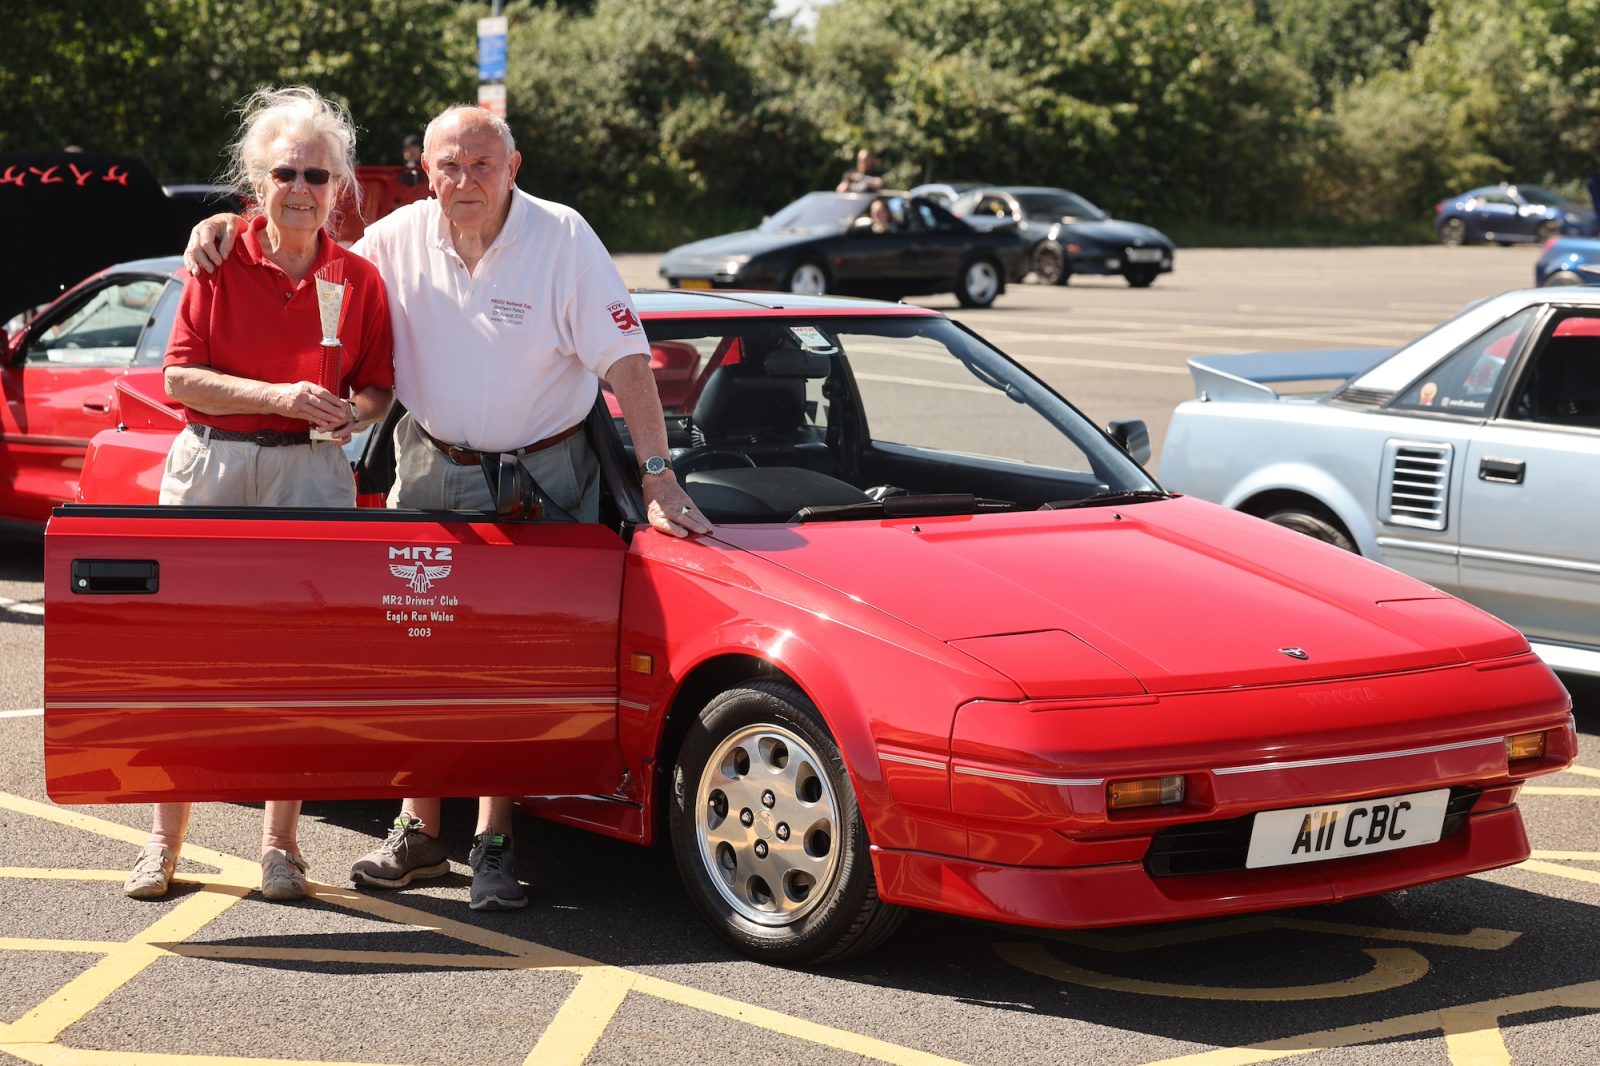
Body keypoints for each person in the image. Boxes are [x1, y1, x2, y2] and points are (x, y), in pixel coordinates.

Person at [184, 103, 709, 912]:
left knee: (510, 658)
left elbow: (629, 364)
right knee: (416, 651)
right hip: (430, 465)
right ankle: (418, 832)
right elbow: (306, 250)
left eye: (481, 165)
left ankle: (494, 839)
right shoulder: (396, 240)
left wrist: (659, 474)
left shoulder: (562, 238)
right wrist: (224, 221)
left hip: (541, 474)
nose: (465, 182)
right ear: (423, 171)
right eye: (448, 167)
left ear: (514, 166)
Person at [125, 86, 395, 904]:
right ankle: (161, 845)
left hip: (310, 472)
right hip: (212, 465)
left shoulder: (358, 278)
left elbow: (378, 387)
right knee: (187, 659)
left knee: (297, 663)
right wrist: (279, 396)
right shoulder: (214, 255)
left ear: (339, 184)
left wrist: (354, 412)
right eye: (287, 172)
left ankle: (281, 847)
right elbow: (178, 378)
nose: (303, 189)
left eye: (318, 174)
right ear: (258, 178)